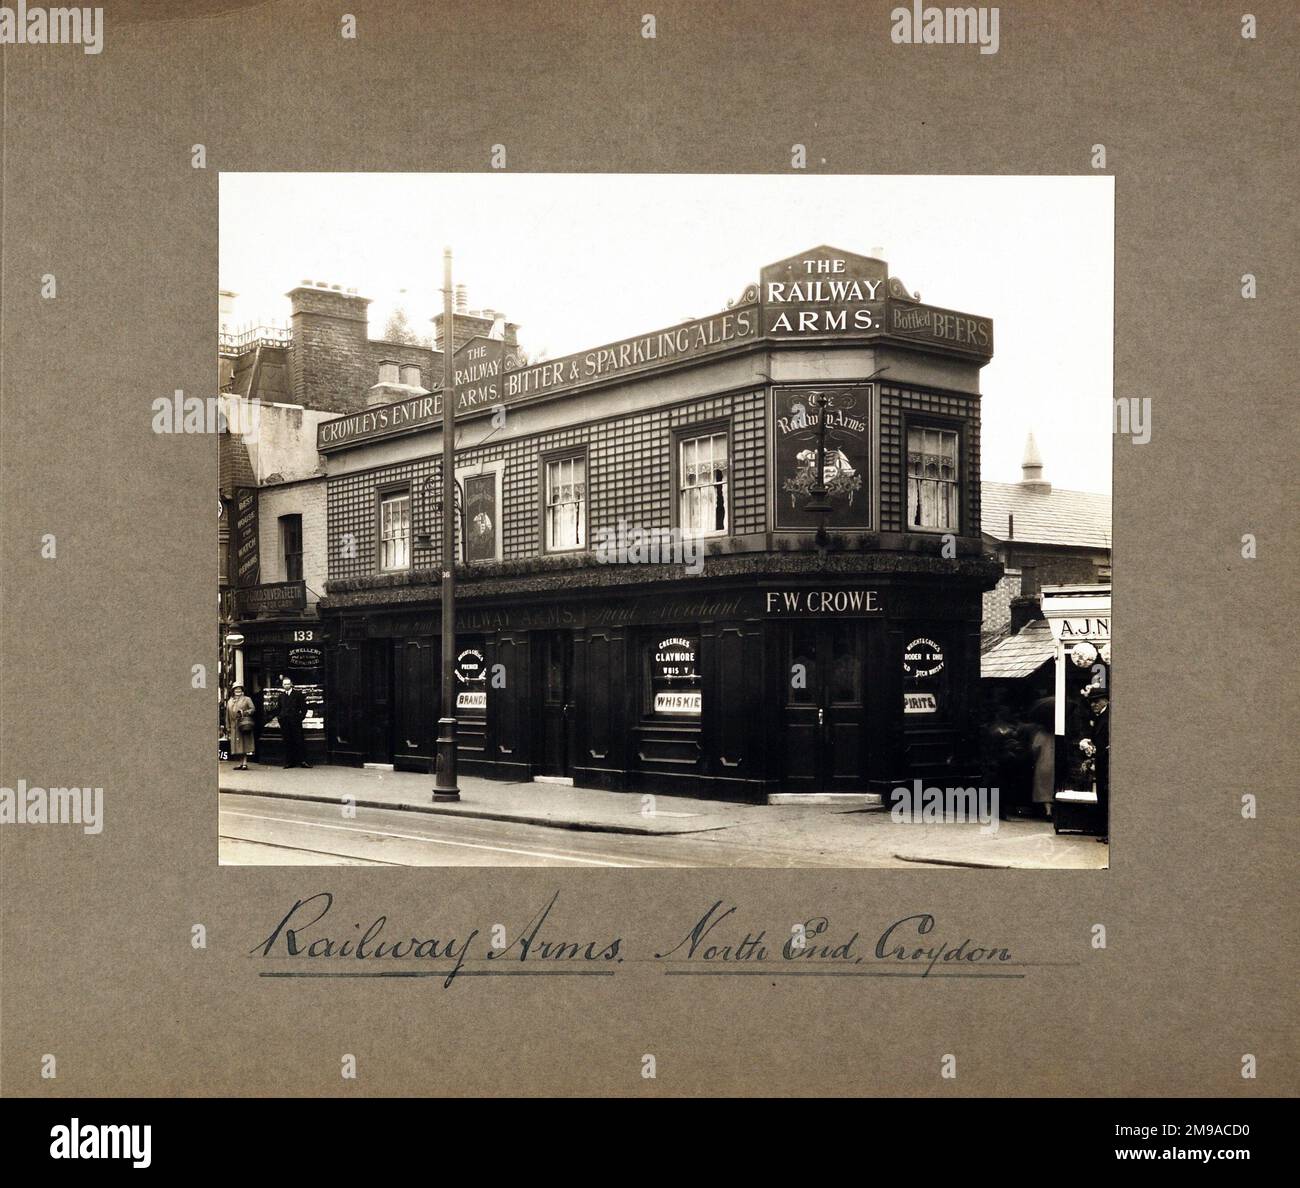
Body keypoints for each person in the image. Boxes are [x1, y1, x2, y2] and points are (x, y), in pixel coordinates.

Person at [1081, 687, 1110, 843]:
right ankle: (1106, 831)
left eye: (1096, 701)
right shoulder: (1100, 717)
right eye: (1091, 702)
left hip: (1108, 766)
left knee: (1108, 798)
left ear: (1105, 700)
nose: (1093, 704)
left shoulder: (1109, 716)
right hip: (1101, 763)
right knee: (1103, 797)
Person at [1024, 697, 1056, 819]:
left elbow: (1035, 748)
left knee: (1043, 788)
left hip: (1042, 763)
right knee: (1051, 787)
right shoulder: (1056, 735)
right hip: (1054, 763)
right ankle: (1051, 809)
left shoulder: (1040, 734)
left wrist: (1033, 758)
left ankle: (1047, 811)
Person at [277, 676, 310, 768]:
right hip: (285, 722)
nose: (286, 685)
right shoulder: (281, 696)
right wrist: (280, 718)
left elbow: (304, 708)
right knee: (287, 741)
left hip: (295, 722)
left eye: (288, 684)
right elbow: (279, 709)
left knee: (299, 741)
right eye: (284, 684)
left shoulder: (298, 694)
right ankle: (289, 762)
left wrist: (300, 718)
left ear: (291, 684)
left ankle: (303, 761)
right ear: (282, 685)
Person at [225, 684, 256, 771]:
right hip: (234, 726)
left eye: (239, 690)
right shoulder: (230, 701)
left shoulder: (247, 699)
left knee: (244, 744)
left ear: (242, 691)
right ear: (233, 691)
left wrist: (244, 712)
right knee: (237, 745)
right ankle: (240, 763)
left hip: (243, 725)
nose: (238, 692)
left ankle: (245, 763)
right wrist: (228, 726)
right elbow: (227, 715)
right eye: (236, 690)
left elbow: (253, 709)